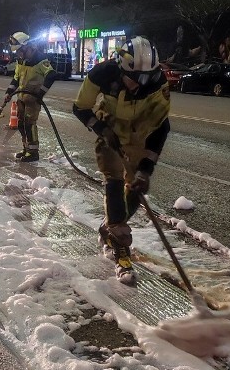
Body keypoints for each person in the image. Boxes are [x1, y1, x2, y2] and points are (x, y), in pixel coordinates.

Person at [71, 36, 171, 284]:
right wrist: (102, 129)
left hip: (138, 137)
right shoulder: (102, 74)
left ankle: (111, 228)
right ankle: (121, 248)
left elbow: (161, 128)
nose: (140, 85)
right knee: (113, 180)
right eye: (135, 79)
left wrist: (145, 170)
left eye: (147, 78)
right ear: (121, 68)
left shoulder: (157, 84)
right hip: (111, 133)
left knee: (135, 189)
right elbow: (80, 108)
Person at [4, 32, 58, 162]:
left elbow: (51, 75)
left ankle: (33, 152)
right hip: (22, 98)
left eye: (20, 50)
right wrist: (8, 93)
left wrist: (40, 94)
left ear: (27, 46)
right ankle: (26, 148)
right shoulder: (21, 61)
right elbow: (16, 79)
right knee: (21, 124)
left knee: (29, 124)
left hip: (33, 99)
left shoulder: (40, 59)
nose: (18, 53)